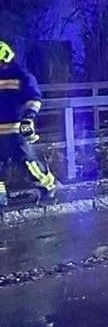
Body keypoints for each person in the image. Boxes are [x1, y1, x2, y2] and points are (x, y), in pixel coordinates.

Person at [0, 40, 56, 205]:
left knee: (28, 162)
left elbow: (34, 97)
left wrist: (28, 117)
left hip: (15, 128)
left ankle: (49, 188)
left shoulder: (21, 76)